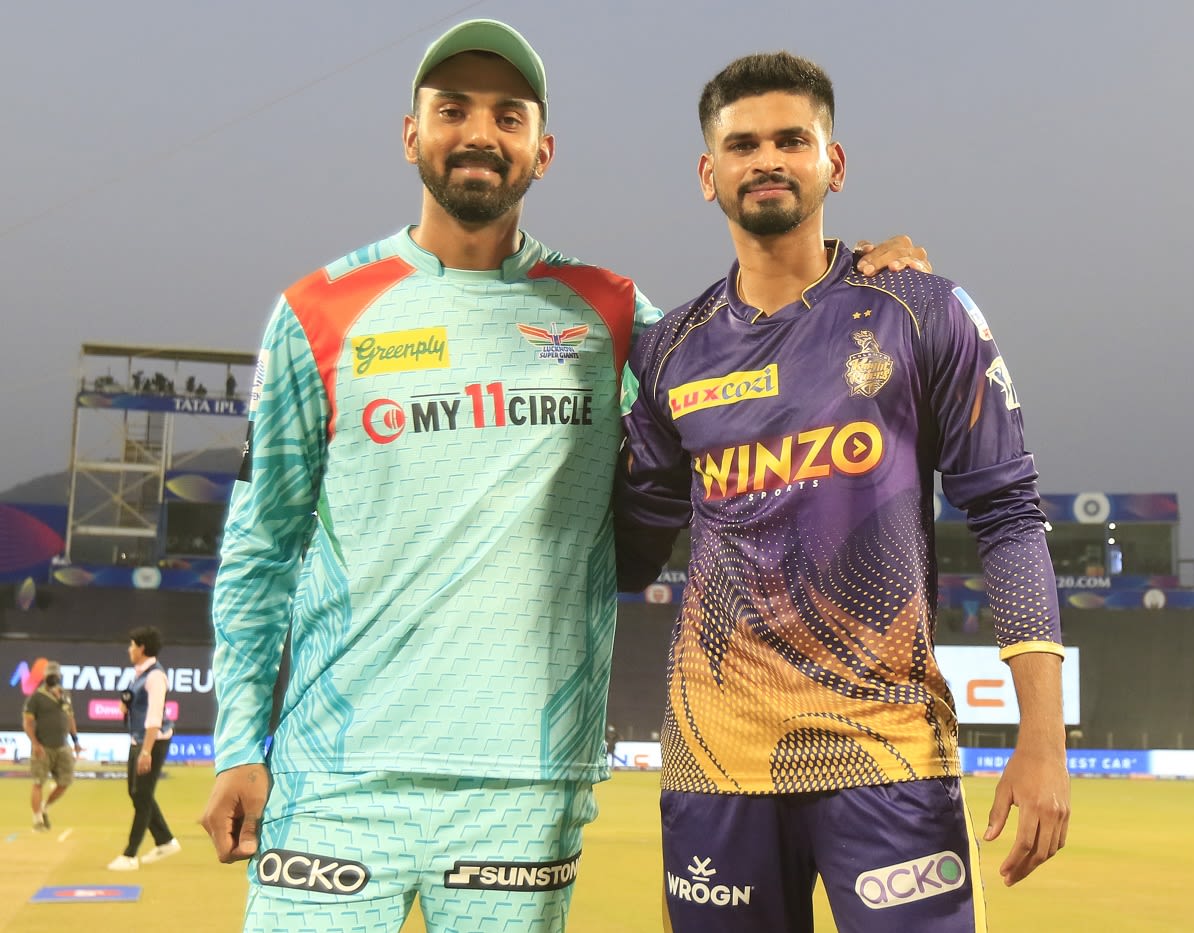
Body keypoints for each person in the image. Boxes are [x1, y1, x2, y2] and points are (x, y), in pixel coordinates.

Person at [200, 19, 927, 933]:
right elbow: (260, 548)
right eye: (453, 110)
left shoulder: (611, 313)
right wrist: (238, 741)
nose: (479, 133)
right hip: (333, 775)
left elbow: (753, 355)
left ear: (542, 151)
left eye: (509, 116)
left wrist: (854, 285)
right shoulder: (317, 311)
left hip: (528, 784)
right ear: (411, 134)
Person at [613, 52, 1070, 932]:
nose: (768, 160)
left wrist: (1042, 738)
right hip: (717, 762)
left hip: (887, 756)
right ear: (709, 174)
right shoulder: (670, 350)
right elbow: (629, 539)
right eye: (743, 145)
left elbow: (1010, 515)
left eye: (792, 139)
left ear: (835, 162)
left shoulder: (923, 310)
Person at [107, 626, 183, 870]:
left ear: (141, 648)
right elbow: (133, 706)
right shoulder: (139, 674)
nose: (129, 650)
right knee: (137, 793)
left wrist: (147, 751)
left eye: (132, 645)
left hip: (153, 741)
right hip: (138, 739)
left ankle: (130, 855)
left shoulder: (155, 676)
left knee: (142, 794)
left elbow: (154, 717)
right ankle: (166, 841)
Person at [22, 661, 80, 832]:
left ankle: (45, 807)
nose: (53, 678)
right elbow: (28, 723)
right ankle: (37, 819)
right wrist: (35, 744)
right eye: (50, 675)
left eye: (55, 675)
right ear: (45, 677)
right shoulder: (36, 697)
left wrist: (76, 741)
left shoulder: (65, 695)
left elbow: (70, 718)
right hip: (43, 747)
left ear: (59, 676)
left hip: (63, 746)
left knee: (65, 781)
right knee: (38, 782)